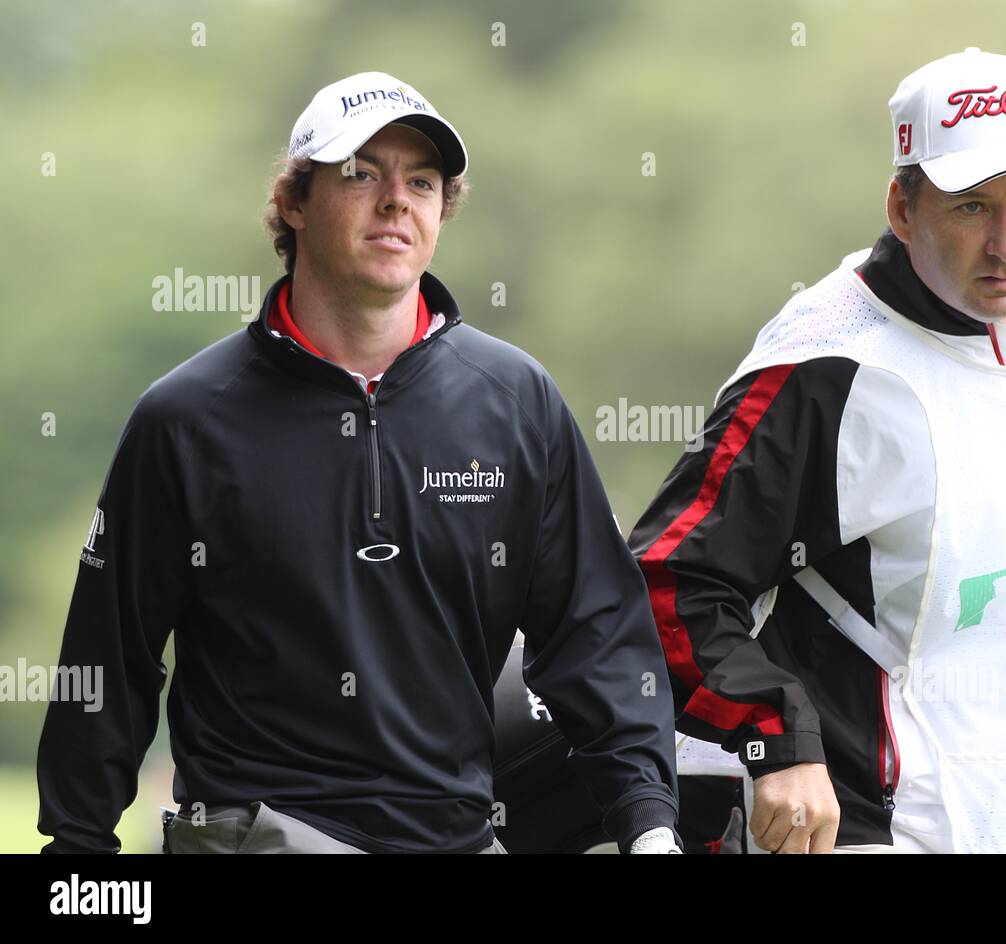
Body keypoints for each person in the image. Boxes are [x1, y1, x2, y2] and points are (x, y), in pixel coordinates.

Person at [628, 48, 1006, 853]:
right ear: (902, 205)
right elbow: (666, 578)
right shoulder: (824, 367)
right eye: (971, 209)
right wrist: (774, 738)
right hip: (881, 821)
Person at [36, 71, 681, 854]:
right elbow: (110, 664)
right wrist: (77, 854)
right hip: (259, 833)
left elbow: (600, 633)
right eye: (360, 174)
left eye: (421, 181)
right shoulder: (188, 419)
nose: (395, 200)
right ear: (294, 203)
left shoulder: (517, 402)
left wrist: (649, 826)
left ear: (442, 209)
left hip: (459, 837)